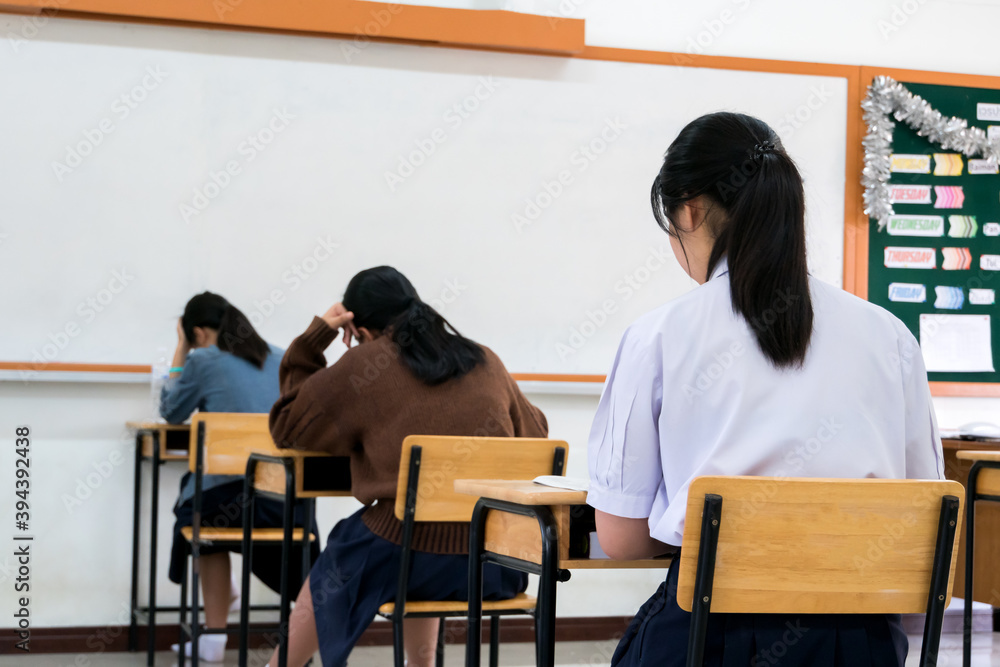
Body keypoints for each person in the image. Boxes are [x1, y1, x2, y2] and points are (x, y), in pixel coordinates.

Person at [587, 112, 943, 667]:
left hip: (713, 639)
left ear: (690, 209)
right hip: (859, 645)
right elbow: (925, 516)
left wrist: (700, 523)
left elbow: (622, 539)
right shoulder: (889, 336)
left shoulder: (658, 335)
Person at [267, 266, 548, 667]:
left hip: (403, 562)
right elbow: (537, 434)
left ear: (358, 329)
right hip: (495, 565)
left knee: (356, 540)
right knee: (420, 524)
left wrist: (315, 341)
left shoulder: (364, 364)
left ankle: (281, 665)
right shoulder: (484, 358)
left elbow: (289, 426)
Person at [161, 292, 318, 662]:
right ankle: (303, 632)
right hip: (286, 501)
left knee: (197, 510)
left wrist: (181, 350)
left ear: (199, 332)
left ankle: (214, 637)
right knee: (201, 501)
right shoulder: (282, 358)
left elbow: (170, 412)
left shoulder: (201, 359)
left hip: (228, 502)